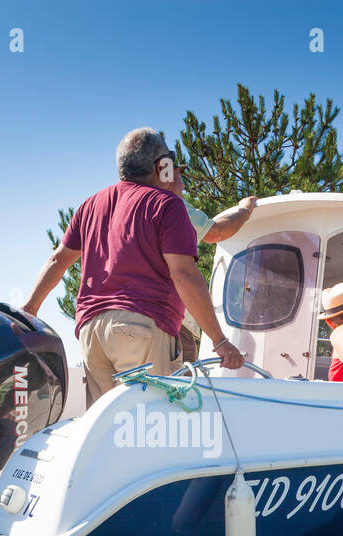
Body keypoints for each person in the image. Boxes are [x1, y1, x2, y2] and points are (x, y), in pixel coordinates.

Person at [21, 127, 244, 407]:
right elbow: (184, 275)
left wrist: (29, 310)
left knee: (108, 430)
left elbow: (58, 260)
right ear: (162, 166)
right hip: (141, 325)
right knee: (150, 426)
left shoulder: (89, 206)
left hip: (92, 330)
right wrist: (220, 340)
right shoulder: (166, 205)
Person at [162, 165, 257, 362]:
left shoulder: (127, 208)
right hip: (171, 322)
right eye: (180, 180)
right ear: (168, 180)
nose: (183, 187)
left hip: (114, 323)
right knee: (179, 389)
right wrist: (244, 210)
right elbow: (217, 232)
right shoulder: (171, 204)